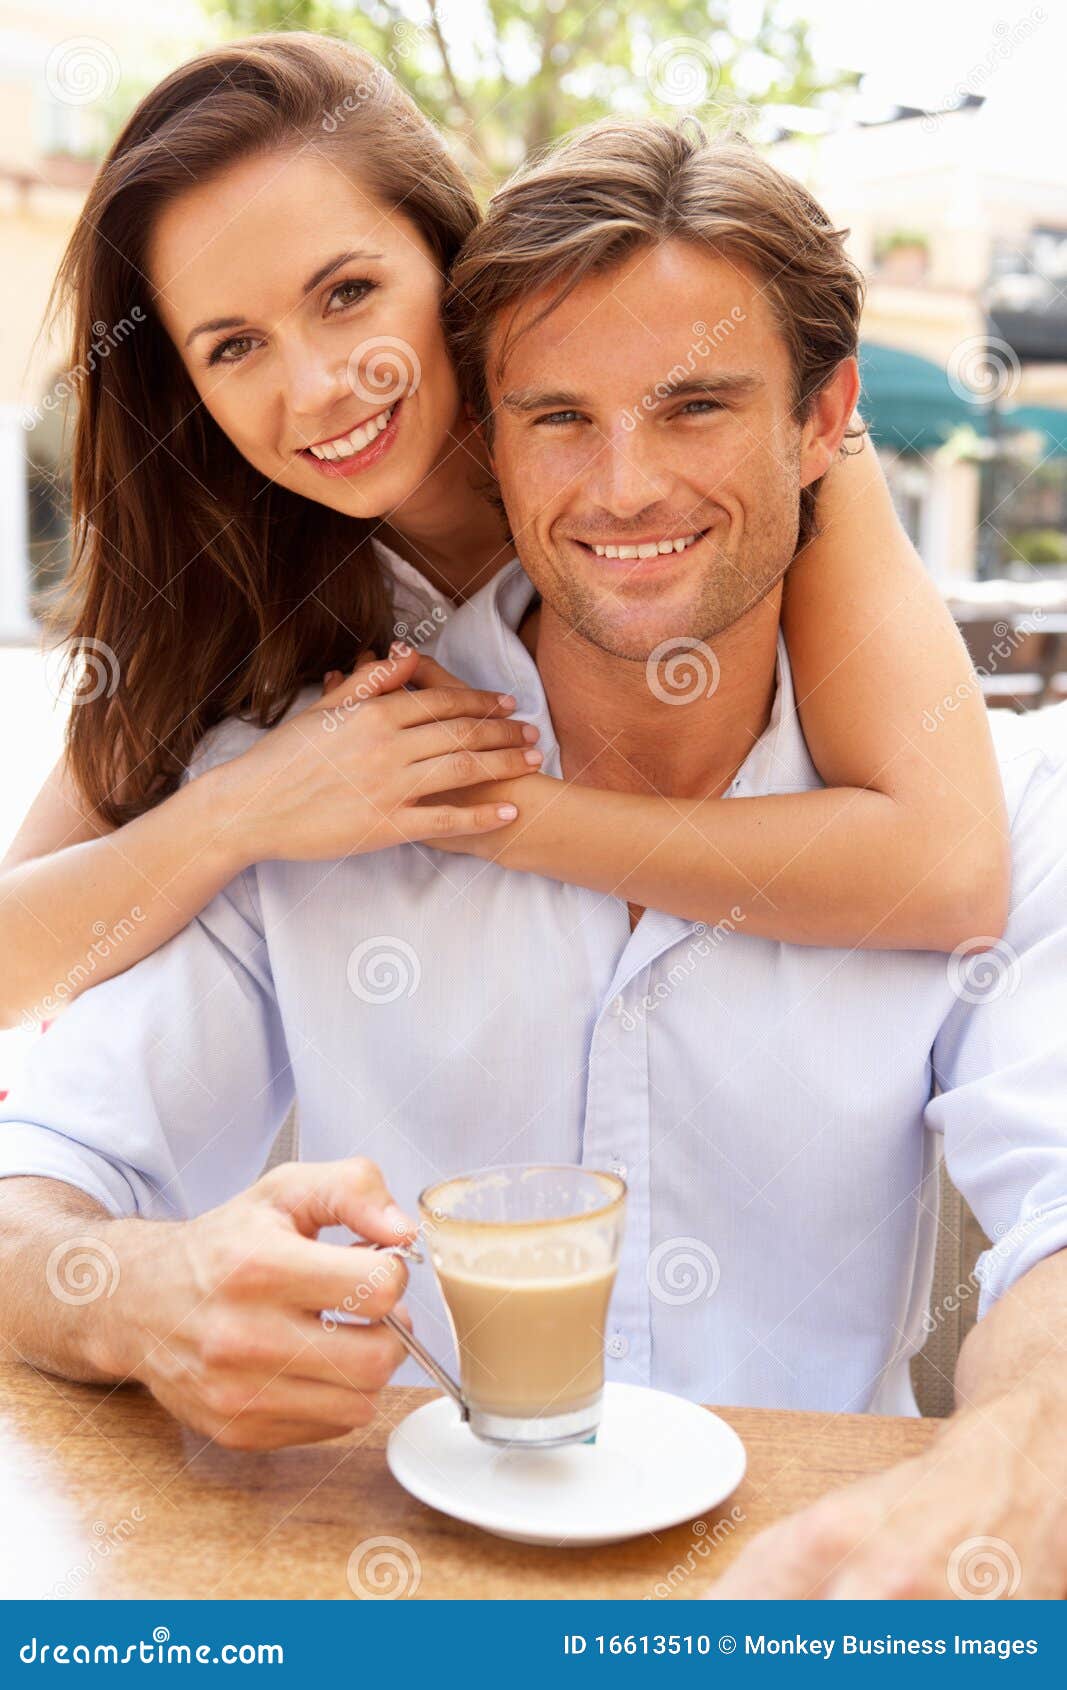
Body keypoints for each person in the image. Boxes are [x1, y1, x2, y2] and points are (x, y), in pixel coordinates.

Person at [1, 116, 1064, 1600]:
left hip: (815, 1591)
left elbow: (1048, 1168)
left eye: (693, 403)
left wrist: (1028, 1445)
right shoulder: (300, 756)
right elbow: (35, 1172)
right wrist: (137, 1294)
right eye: (558, 415)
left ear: (823, 423)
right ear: (489, 421)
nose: (624, 483)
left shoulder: (982, 795)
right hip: (386, 1589)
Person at [0, 32, 1008, 1035]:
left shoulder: (746, 451)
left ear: (443, 259)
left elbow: (948, 871)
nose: (314, 389)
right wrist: (246, 807)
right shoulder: (227, 567)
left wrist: (504, 814)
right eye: (234, 347)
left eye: (347, 294)